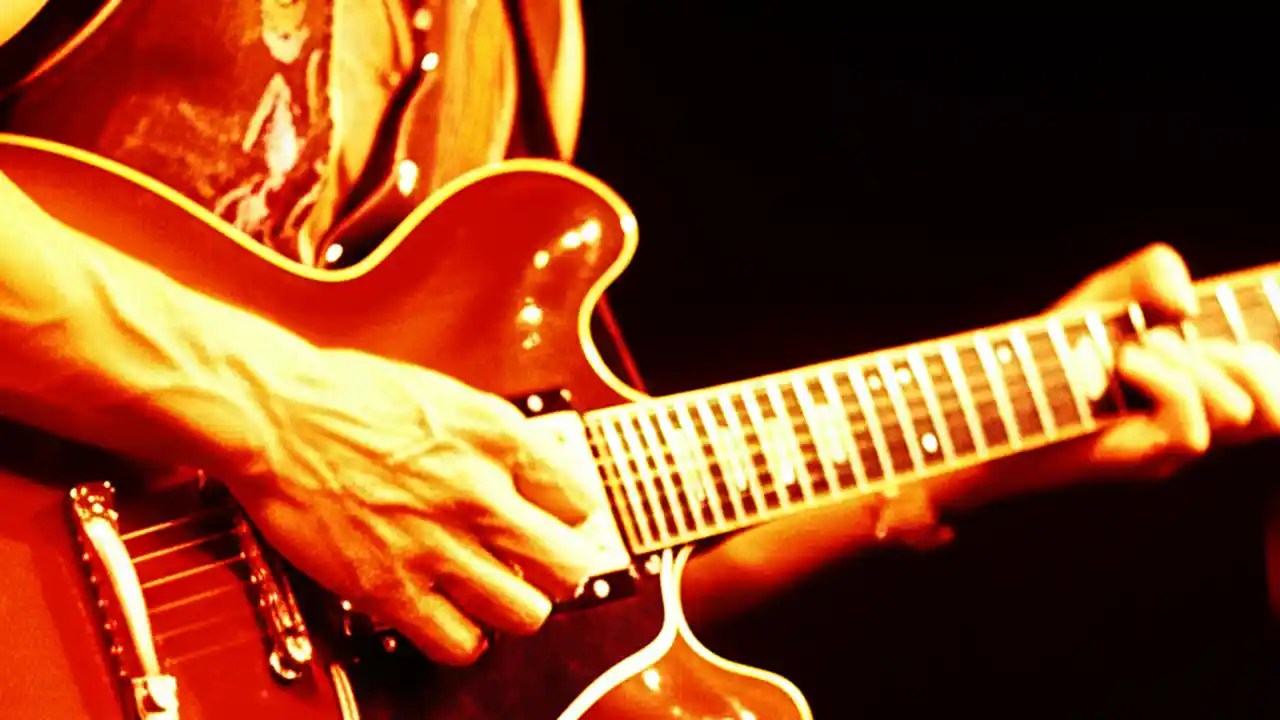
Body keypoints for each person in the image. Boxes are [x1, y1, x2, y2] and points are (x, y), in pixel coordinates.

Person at [1, 0, 1277, 674]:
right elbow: (344, 457)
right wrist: (275, 419)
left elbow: (516, 585)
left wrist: (937, 468)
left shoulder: (527, 32)